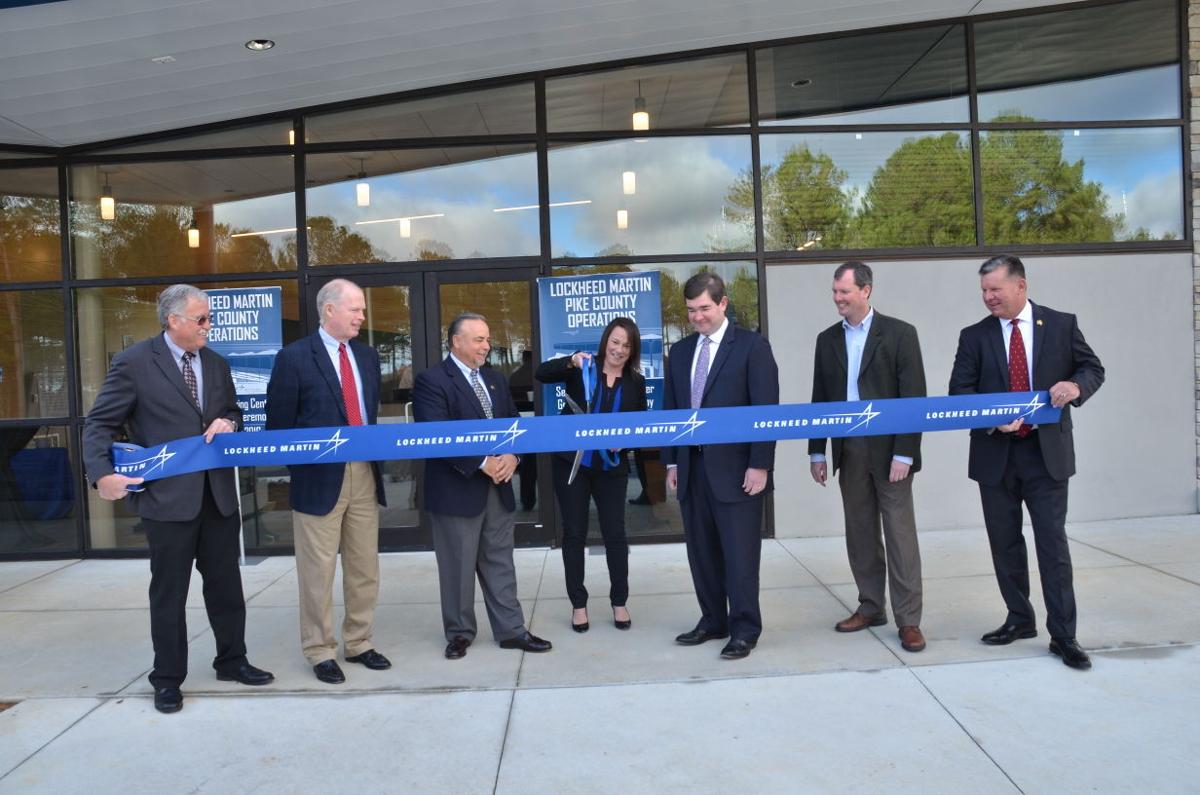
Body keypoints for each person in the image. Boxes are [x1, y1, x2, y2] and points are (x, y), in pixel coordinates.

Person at [82, 284, 273, 714]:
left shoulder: (218, 364)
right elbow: (99, 425)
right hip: (167, 503)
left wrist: (228, 421)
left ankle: (232, 661)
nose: (210, 326)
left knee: (226, 588)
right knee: (169, 594)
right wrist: (101, 476)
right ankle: (167, 679)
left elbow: (234, 414)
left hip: (218, 497)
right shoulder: (133, 363)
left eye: (209, 318)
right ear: (172, 320)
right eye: (201, 319)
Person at [949, 254, 1104, 670]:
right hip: (995, 457)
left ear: (1021, 285)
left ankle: (1064, 635)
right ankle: (1019, 619)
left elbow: (1093, 368)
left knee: (1052, 546)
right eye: (983, 291)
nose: (988, 297)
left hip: (1045, 456)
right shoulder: (974, 336)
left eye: (995, 289)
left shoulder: (1060, 324)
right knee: (1005, 545)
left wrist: (1075, 385)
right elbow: (959, 393)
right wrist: (992, 420)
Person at [265, 278, 390, 684]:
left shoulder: (368, 357)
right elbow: (279, 427)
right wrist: (302, 471)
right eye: (354, 309)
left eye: (362, 309)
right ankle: (320, 649)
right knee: (317, 572)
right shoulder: (294, 358)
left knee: (364, 566)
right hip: (319, 481)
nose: (362, 316)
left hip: (364, 475)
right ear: (329, 310)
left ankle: (359, 642)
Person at [412, 312, 552, 660]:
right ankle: (459, 634)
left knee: (501, 562)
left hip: (498, 489)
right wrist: (482, 462)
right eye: (479, 339)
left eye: (488, 340)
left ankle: (511, 631)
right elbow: (436, 433)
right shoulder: (431, 381)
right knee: (457, 568)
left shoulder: (495, 380)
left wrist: (513, 457)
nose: (487, 346)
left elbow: (514, 426)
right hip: (457, 490)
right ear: (456, 342)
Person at [809, 261, 927, 652]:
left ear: (866, 290)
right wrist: (816, 450)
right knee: (859, 533)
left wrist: (906, 453)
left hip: (892, 449)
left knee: (899, 536)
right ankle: (871, 606)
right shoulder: (827, 340)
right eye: (834, 292)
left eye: (844, 292)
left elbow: (915, 399)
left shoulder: (900, 334)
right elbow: (819, 399)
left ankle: (909, 620)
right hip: (849, 449)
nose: (837, 298)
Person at [663, 272, 779, 660]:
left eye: (704, 309)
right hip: (692, 471)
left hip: (738, 473)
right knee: (702, 553)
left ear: (723, 303)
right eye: (691, 310)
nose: (697, 317)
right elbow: (672, 413)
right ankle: (712, 620)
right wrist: (671, 462)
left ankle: (744, 628)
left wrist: (760, 464)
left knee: (740, 556)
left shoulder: (752, 347)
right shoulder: (679, 353)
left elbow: (766, 412)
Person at [535, 316, 648, 633]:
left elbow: (639, 428)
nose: (619, 350)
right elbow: (541, 373)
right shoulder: (582, 367)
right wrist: (569, 362)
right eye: (615, 342)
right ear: (605, 341)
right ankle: (579, 605)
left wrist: (624, 442)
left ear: (632, 350)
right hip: (573, 465)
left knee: (616, 533)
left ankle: (619, 601)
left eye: (626, 345)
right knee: (574, 533)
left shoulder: (636, 383)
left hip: (610, 469)